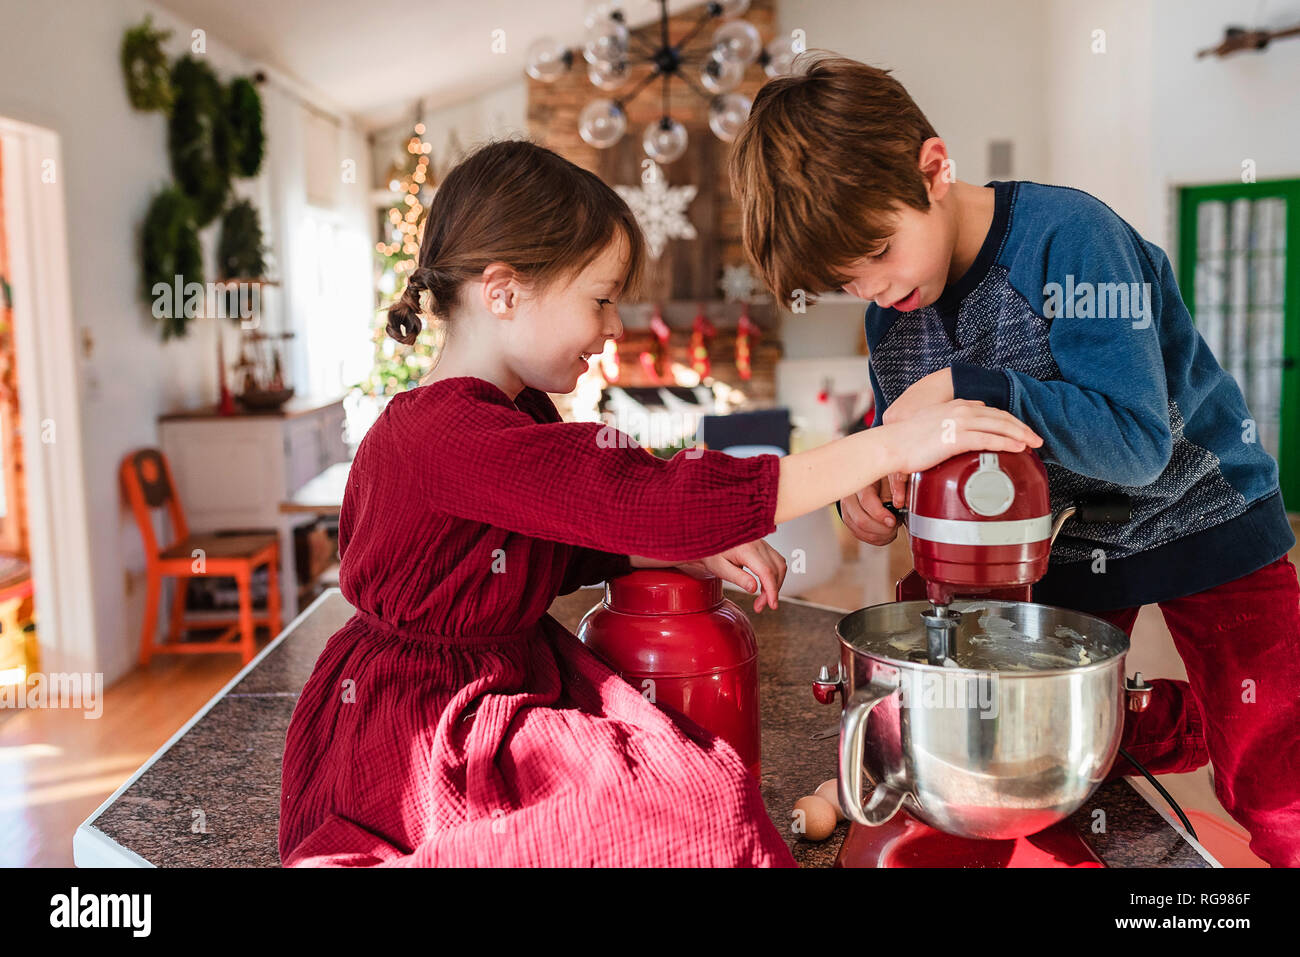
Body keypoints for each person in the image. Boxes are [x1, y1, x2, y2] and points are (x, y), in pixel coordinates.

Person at [277, 139, 1040, 867]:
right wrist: (888, 446)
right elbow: (636, 491)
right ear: (504, 291)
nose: (613, 329)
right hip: (429, 718)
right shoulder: (449, 433)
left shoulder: (510, 415)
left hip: (497, 678)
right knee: (695, 808)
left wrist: (680, 544)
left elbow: (550, 545)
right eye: (601, 299)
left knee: (693, 790)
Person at [728, 52, 1300, 866]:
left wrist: (977, 389)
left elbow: (1136, 447)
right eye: (849, 282)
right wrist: (879, 494)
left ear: (933, 170)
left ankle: (1220, 720)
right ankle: (1181, 719)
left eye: (881, 252)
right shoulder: (896, 318)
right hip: (1059, 548)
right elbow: (922, 452)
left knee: (1275, 772)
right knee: (1020, 754)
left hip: (1205, 517)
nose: (877, 291)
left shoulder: (1072, 240)